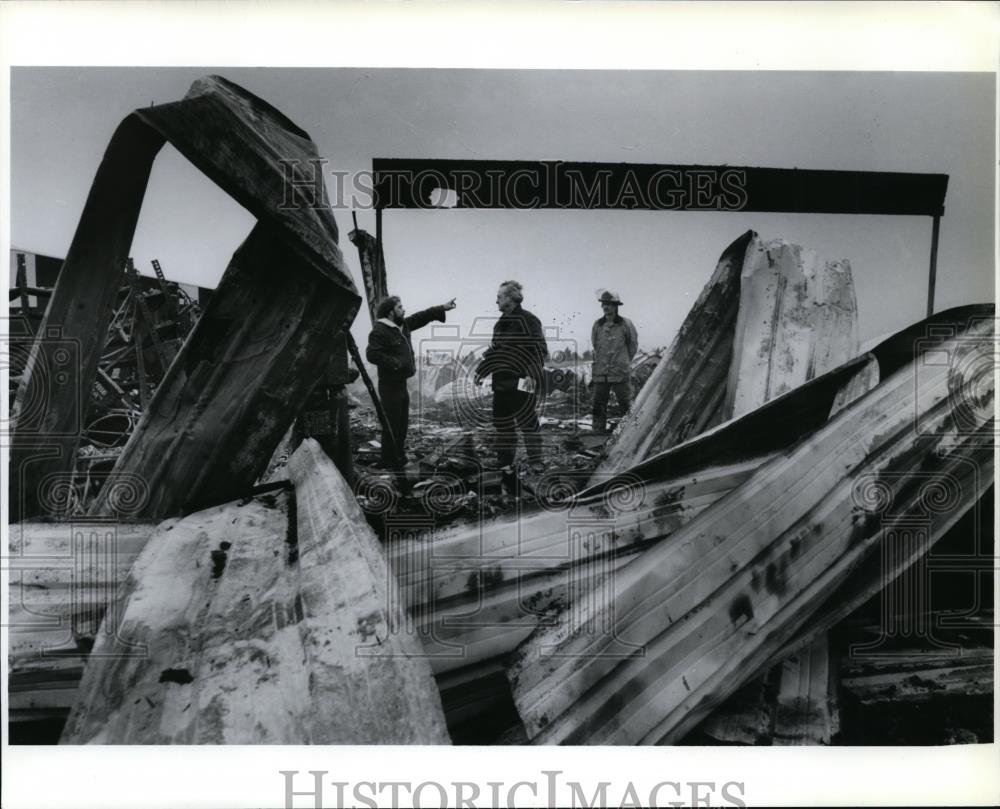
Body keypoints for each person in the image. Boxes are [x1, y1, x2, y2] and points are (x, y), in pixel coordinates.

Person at [366, 294, 456, 468]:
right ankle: (387, 460)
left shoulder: (401, 326)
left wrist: (442, 308)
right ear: (390, 312)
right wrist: (395, 363)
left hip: (400, 383)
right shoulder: (380, 330)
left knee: (402, 424)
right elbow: (372, 354)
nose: (403, 309)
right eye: (399, 307)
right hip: (389, 385)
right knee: (391, 423)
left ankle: (398, 457)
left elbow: (421, 317)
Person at [475, 280, 548, 470]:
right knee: (502, 423)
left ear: (510, 298)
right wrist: (481, 370)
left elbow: (539, 350)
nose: (496, 301)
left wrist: (531, 378)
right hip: (501, 383)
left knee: (527, 421)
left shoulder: (529, 320)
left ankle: (536, 461)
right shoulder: (499, 325)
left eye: (499, 297)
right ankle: (504, 462)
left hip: (522, 380)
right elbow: (495, 351)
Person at [590, 290, 638, 434]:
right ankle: (598, 435)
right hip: (601, 373)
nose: (606, 307)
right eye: (604, 304)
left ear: (616, 306)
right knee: (598, 405)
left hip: (620, 372)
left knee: (626, 404)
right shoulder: (597, 325)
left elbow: (633, 345)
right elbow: (595, 344)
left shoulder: (626, 324)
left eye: (609, 304)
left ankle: (630, 434)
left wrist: (622, 362)